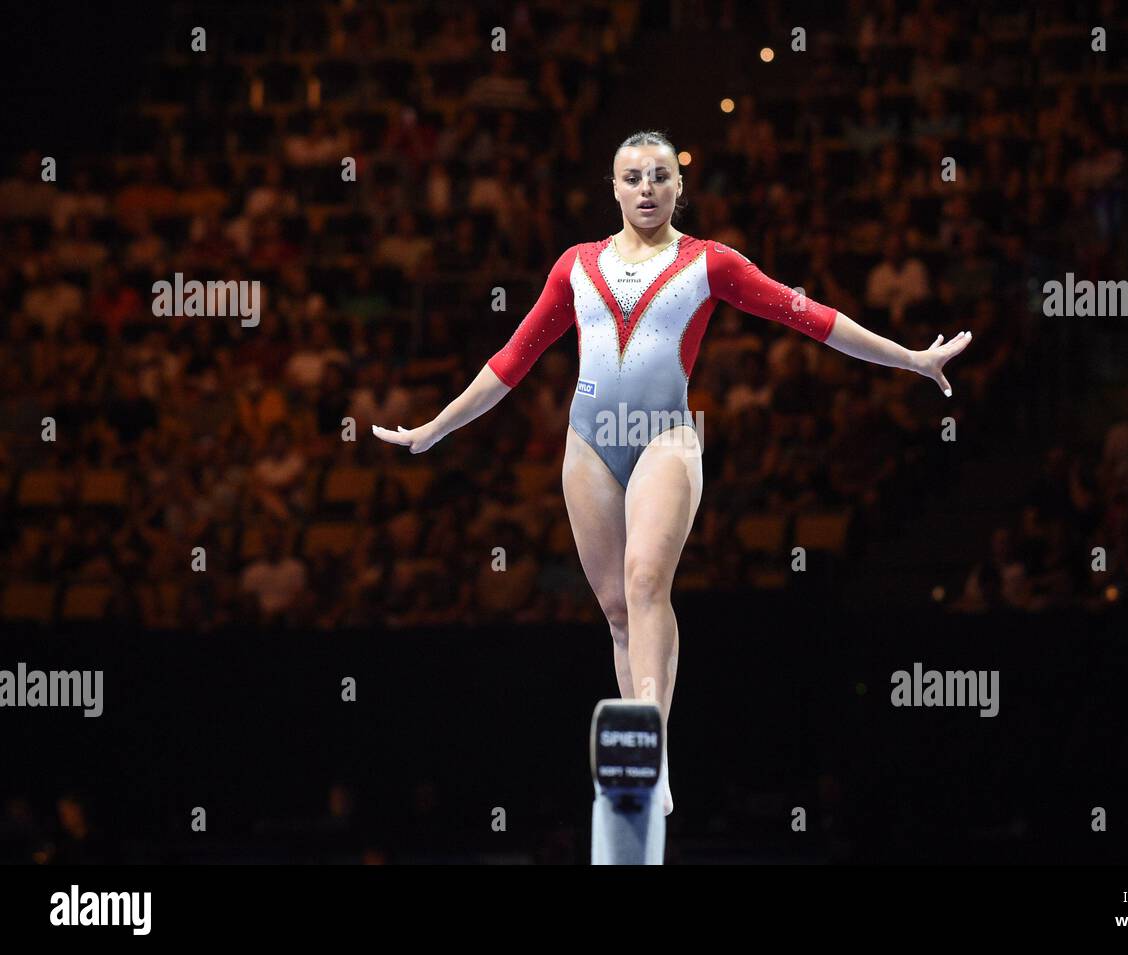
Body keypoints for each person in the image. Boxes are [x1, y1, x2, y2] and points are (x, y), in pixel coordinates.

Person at [373, 131, 972, 815]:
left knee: (646, 579)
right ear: (614, 187)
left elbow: (812, 318)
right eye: (633, 177)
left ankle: (651, 742)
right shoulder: (576, 265)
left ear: (680, 188)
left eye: (660, 176)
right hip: (589, 445)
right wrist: (434, 427)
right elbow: (511, 362)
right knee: (619, 613)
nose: (648, 188)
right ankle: (635, 751)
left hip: (664, 441)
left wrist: (911, 359)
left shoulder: (711, 263)